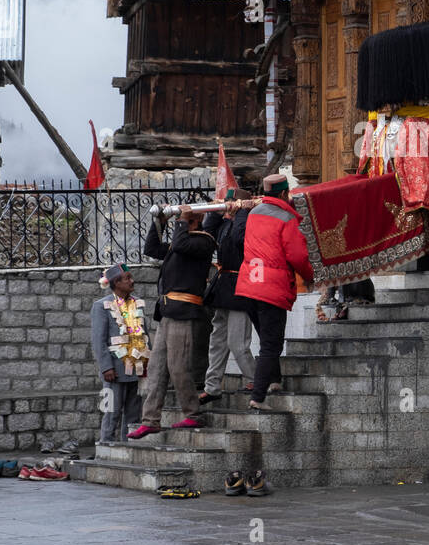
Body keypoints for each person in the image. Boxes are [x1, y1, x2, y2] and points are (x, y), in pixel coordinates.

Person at [127, 205, 216, 440]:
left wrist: (181, 221)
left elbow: (180, 244)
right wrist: (160, 222)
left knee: (178, 366)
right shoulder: (181, 241)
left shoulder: (204, 242)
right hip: (168, 312)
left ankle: (193, 413)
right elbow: (152, 248)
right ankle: (150, 419)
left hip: (185, 311)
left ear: (193, 221)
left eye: (184, 218)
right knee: (156, 369)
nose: (180, 220)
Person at [236, 174, 314, 413]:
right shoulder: (286, 217)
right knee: (270, 345)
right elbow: (298, 256)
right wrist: (310, 277)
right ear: (284, 194)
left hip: (248, 285)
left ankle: (274, 380)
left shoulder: (253, 214)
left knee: (267, 337)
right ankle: (258, 398)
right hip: (271, 288)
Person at [200, 190, 256, 403]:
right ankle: (212, 386)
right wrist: (215, 210)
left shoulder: (248, 223)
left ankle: (254, 379)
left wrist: (242, 212)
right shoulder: (224, 224)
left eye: (232, 203)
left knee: (237, 341)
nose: (229, 207)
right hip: (223, 285)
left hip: (241, 284)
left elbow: (240, 238)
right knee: (217, 340)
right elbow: (207, 233)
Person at [91, 264, 147, 443]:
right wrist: (106, 367)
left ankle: (129, 448)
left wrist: (148, 362)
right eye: (127, 278)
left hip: (136, 369)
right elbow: (99, 340)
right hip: (113, 371)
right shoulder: (101, 306)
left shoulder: (137, 302)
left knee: (133, 415)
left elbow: (144, 334)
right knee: (111, 413)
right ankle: (106, 448)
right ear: (116, 283)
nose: (132, 281)